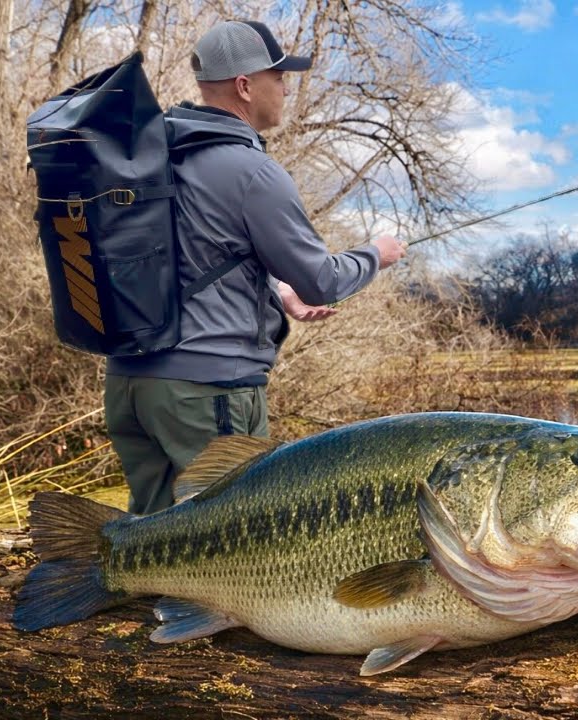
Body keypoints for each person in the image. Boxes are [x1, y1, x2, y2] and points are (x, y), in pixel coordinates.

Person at [104, 20, 404, 514]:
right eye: (278, 76)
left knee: (153, 544)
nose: (286, 87)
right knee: (225, 542)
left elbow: (189, 257)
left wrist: (279, 294)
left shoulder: (154, 155)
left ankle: (101, 588)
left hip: (131, 385)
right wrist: (377, 254)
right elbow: (324, 280)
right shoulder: (252, 172)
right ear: (245, 86)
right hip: (207, 392)